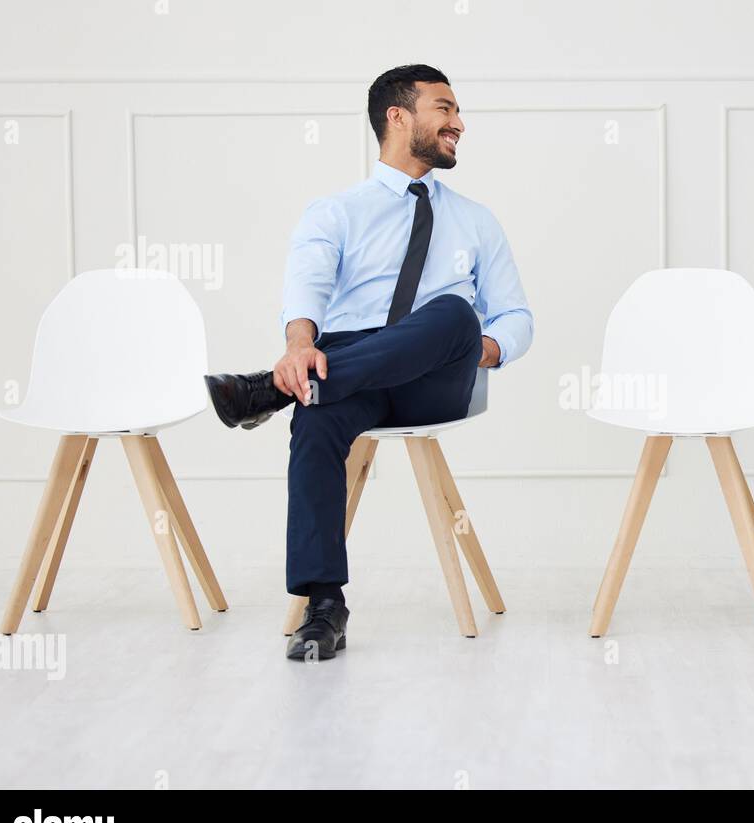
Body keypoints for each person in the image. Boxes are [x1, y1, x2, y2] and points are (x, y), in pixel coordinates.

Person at [204, 64, 534, 661]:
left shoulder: (476, 220)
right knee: (316, 417)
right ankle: (325, 607)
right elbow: (306, 288)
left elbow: (515, 319)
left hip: (435, 378)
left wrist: (469, 345)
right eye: (445, 108)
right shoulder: (335, 212)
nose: (459, 123)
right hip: (345, 378)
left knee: (454, 312)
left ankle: (273, 392)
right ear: (398, 117)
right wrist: (300, 349)